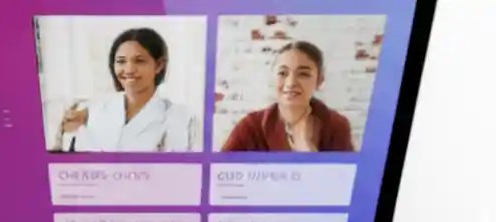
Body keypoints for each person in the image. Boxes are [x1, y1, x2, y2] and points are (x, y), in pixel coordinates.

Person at [56, 27, 198, 152]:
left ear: (159, 65)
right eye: (121, 61)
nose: (129, 70)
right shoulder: (94, 111)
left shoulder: (181, 117)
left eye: (139, 61)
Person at [221, 40, 354, 152]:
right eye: (283, 73)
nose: (290, 83)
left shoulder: (336, 126)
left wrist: (307, 145)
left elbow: (346, 180)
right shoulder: (250, 127)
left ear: (319, 80)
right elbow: (219, 175)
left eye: (303, 74)